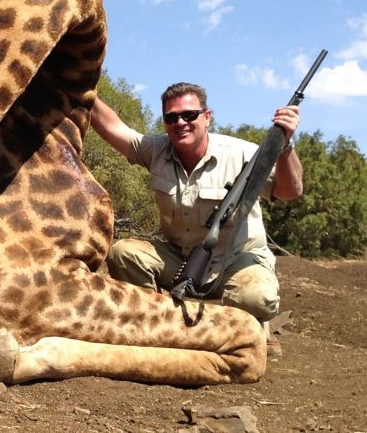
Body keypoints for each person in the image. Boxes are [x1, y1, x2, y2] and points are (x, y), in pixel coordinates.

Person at [89, 82, 303, 357]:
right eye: (171, 117)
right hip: (181, 258)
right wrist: (81, 87)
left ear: (207, 117)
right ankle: (156, 321)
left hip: (236, 262)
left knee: (256, 299)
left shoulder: (243, 154)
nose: (180, 123)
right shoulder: (156, 150)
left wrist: (285, 146)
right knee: (123, 253)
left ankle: (256, 327)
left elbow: (290, 191)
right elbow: (112, 126)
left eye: (189, 115)